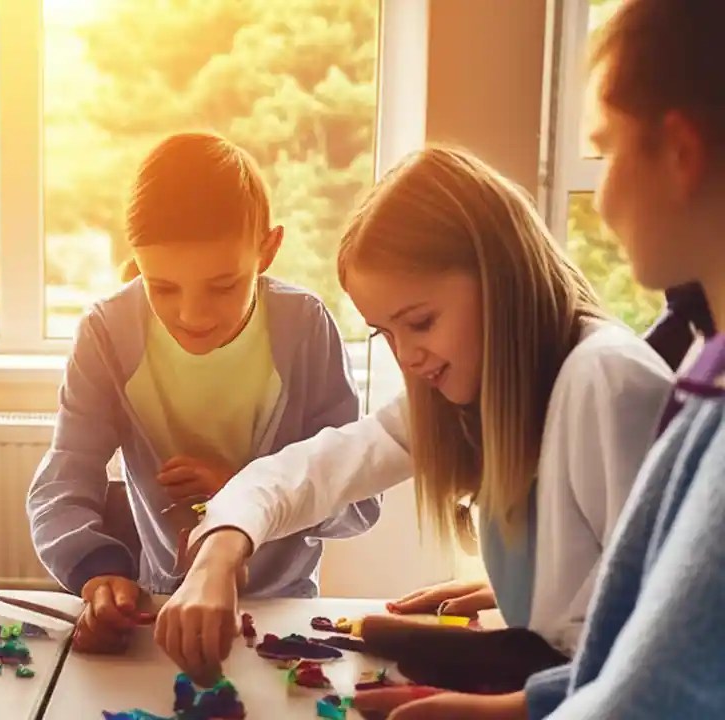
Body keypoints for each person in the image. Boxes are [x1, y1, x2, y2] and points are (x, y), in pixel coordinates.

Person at [153, 145, 672, 686]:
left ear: (501, 279)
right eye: (387, 333)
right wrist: (220, 548)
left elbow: (664, 640)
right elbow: (314, 469)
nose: (406, 356)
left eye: (421, 323)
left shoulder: (608, 381)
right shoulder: (472, 394)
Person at [362, 0, 725, 716]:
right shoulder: (704, 382)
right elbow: (650, 656)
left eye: (607, 151)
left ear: (680, 152)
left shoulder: (626, 381)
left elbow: (664, 688)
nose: (604, 200)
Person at [27, 131, 380, 651]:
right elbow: (63, 480)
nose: (192, 316)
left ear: (267, 250)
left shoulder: (305, 328)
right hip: (160, 607)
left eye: (222, 285)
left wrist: (246, 489)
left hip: (282, 612)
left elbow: (359, 499)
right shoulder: (106, 334)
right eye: (162, 287)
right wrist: (97, 573)